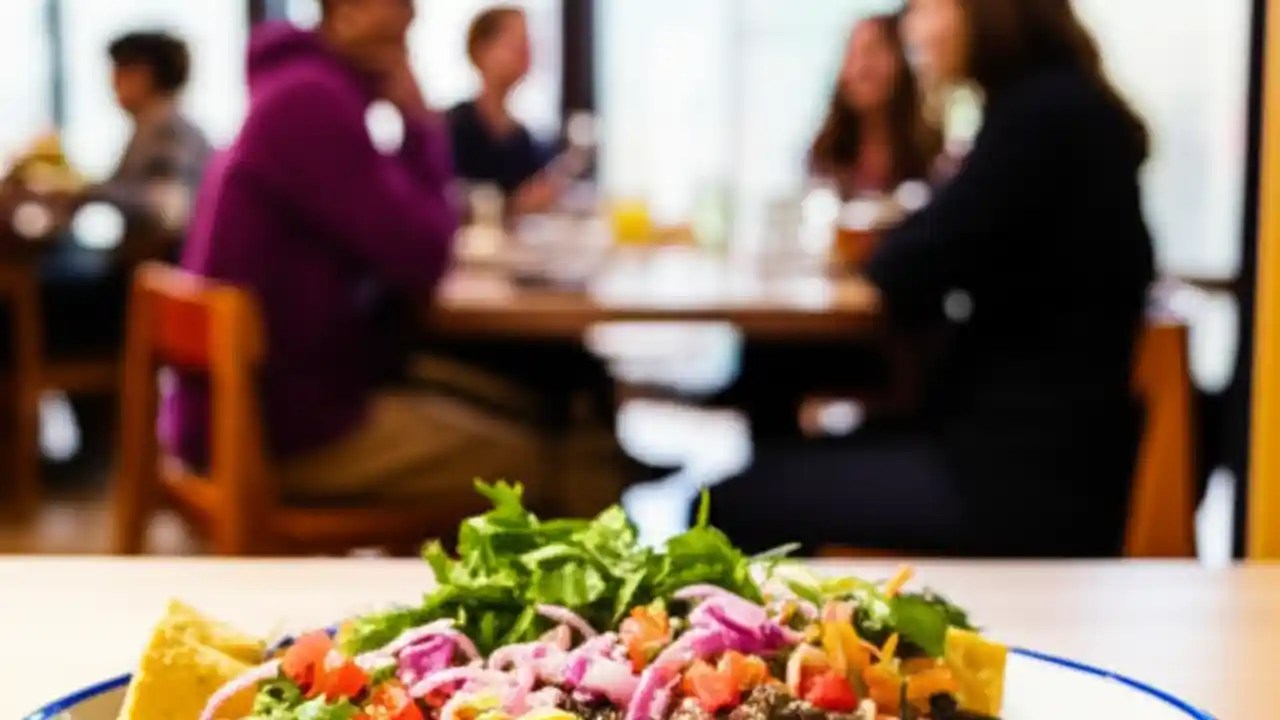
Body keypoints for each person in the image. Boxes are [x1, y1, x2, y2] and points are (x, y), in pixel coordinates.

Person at [710, 0, 1155, 557]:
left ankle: (794, 637)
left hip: (1014, 480)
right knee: (778, 410)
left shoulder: (1041, 118)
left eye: (925, 7)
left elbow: (906, 269)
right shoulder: (1059, 108)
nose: (914, 30)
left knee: (731, 501)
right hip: (1032, 453)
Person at [166, 0, 538, 501]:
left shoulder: (303, 87)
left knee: (522, 405)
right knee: (541, 459)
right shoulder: (310, 101)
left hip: (263, 405)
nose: (412, 15)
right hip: (276, 432)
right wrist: (422, 128)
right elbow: (424, 254)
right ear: (346, 9)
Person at [809, 14, 940, 200]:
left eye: (872, 52)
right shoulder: (827, 153)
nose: (861, 67)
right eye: (852, 55)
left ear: (901, 59)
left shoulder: (933, 154)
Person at [447, 6, 563, 214]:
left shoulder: (521, 138)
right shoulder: (451, 126)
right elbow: (447, 198)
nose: (526, 53)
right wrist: (513, 205)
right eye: (514, 44)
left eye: (527, 45)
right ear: (480, 50)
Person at [91, 31, 212, 231]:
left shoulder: (170, 130)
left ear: (145, 75)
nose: (112, 82)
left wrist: (90, 192)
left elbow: (168, 206)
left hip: (167, 258)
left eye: (121, 71)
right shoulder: (153, 126)